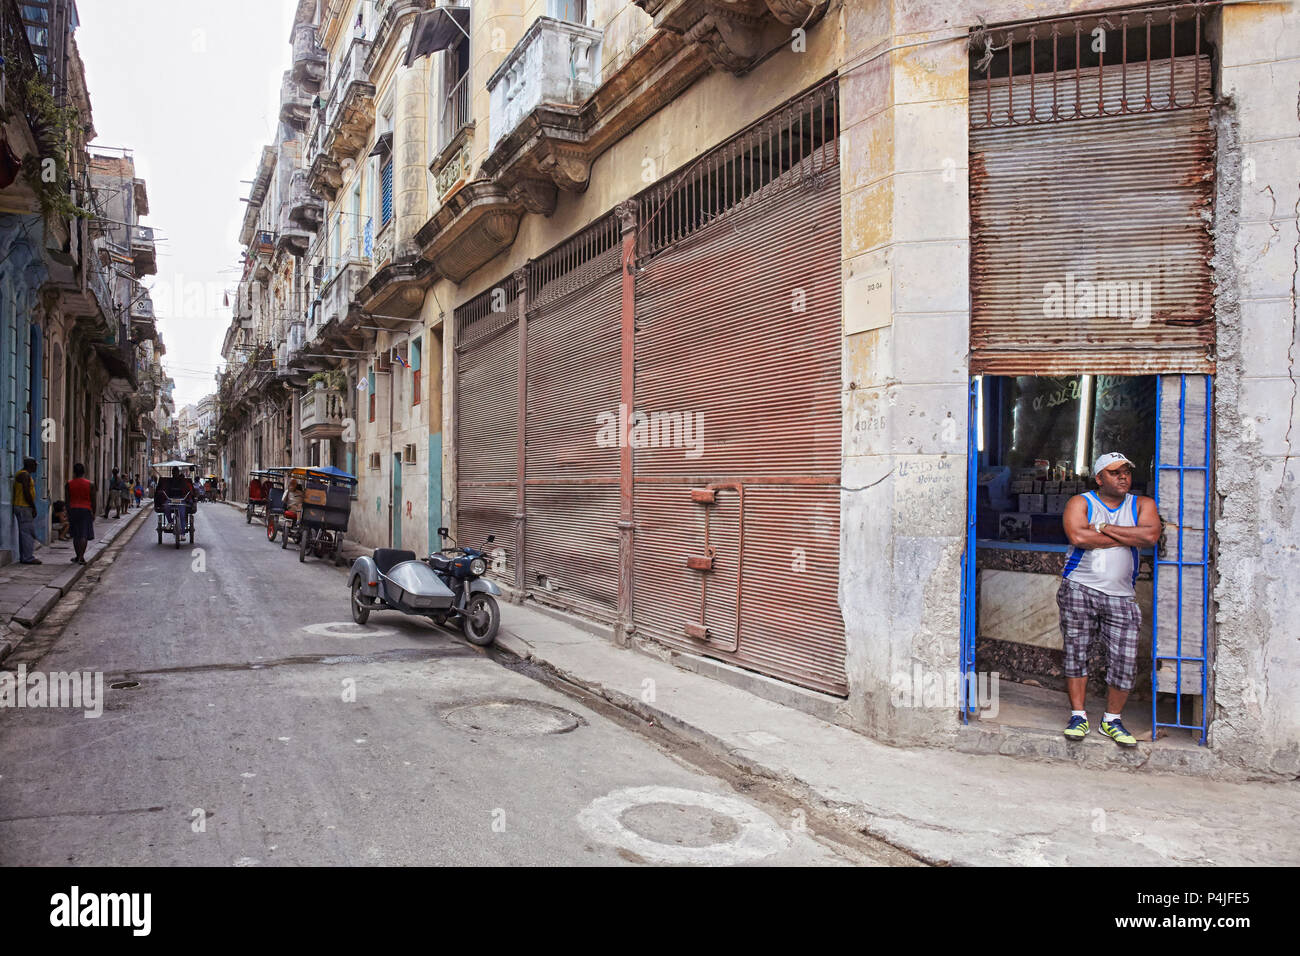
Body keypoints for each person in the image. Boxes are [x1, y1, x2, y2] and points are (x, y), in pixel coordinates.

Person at [1058, 452, 1163, 748]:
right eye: (1115, 472)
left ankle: (1111, 720)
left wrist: (1102, 528)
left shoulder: (1143, 504)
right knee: (1077, 652)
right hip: (1079, 587)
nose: (1123, 477)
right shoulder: (1081, 503)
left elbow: (1150, 536)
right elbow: (1078, 538)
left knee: (1125, 660)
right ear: (1099, 478)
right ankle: (1078, 715)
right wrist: (1129, 535)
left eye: (1127, 472)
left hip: (1122, 595)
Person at [12, 456, 40, 564]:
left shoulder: (24, 474)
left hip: (23, 506)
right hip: (24, 507)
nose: (36, 466)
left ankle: (25, 556)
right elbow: (26, 492)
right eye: (34, 464)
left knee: (26, 532)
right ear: (30, 465)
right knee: (27, 533)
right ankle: (28, 557)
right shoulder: (24, 475)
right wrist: (33, 506)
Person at [66, 463, 95, 565]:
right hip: (85, 510)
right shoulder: (90, 484)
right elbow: (93, 500)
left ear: (74, 472)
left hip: (73, 509)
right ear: (84, 472)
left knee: (76, 534)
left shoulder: (69, 484)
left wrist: (68, 512)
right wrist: (93, 512)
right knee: (84, 534)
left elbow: (67, 500)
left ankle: (78, 555)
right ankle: (81, 557)